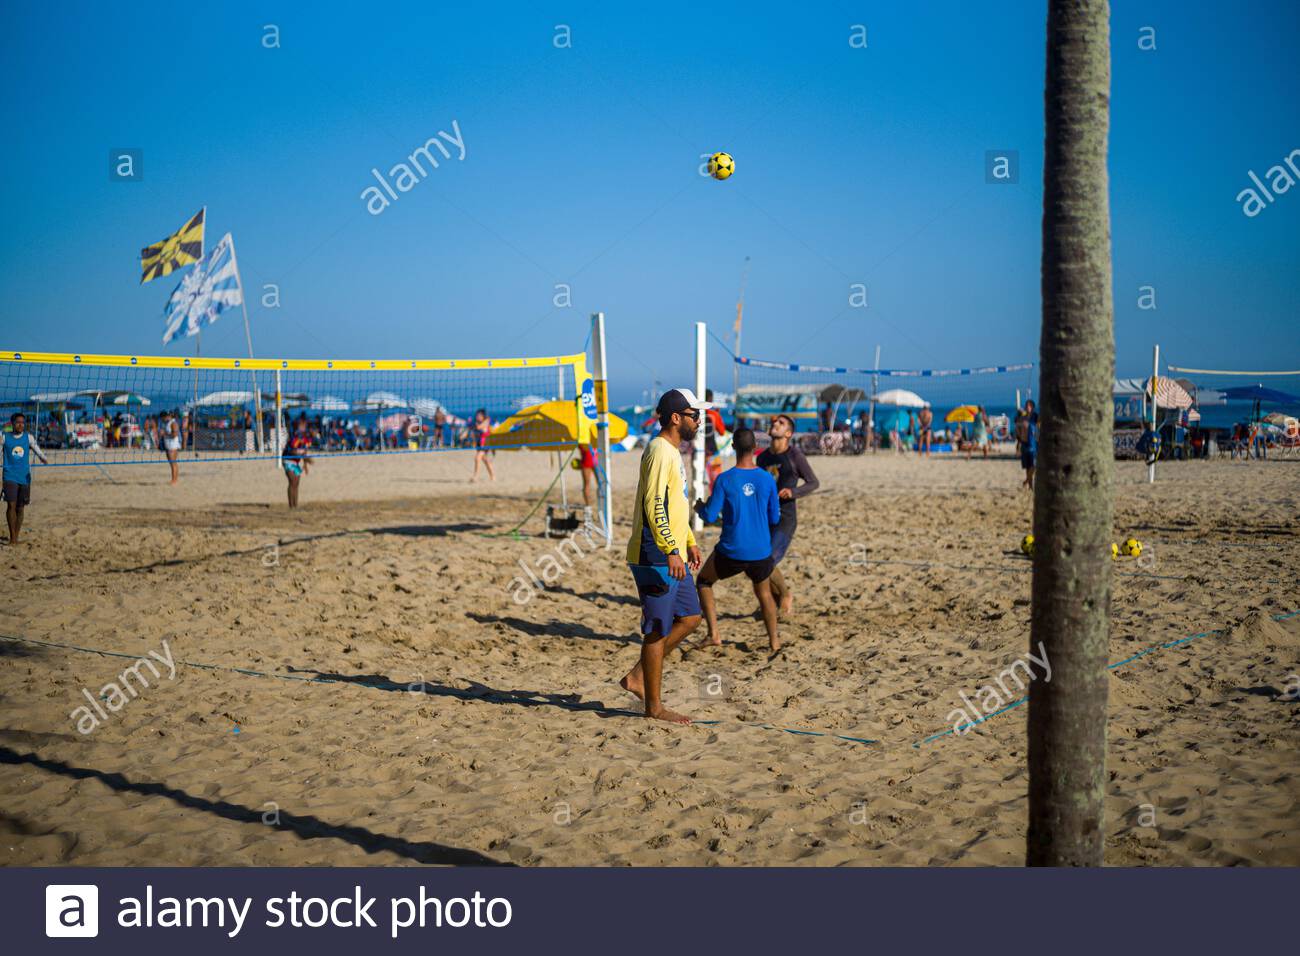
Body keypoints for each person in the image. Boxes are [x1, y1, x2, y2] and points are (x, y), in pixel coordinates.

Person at [618, 388, 708, 725]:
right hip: (653, 553)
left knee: (691, 617)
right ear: (676, 418)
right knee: (656, 631)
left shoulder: (671, 451)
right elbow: (654, 505)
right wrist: (672, 549)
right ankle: (653, 707)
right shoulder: (659, 450)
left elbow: (675, 507)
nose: (699, 420)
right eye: (694, 415)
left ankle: (638, 676)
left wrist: (688, 541)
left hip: (671, 549)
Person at [693, 428, 781, 652]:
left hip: (732, 550)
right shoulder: (767, 479)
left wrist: (700, 508)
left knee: (703, 581)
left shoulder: (725, 479)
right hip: (760, 550)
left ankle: (714, 634)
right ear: (755, 448)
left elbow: (710, 516)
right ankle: (774, 641)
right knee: (764, 593)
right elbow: (774, 517)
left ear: (732, 448)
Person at [756, 413, 819, 616]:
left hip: (785, 517)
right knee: (758, 562)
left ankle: (785, 595)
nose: (775, 423)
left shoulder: (795, 456)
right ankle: (772, 603)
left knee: (767, 560)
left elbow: (813, 482)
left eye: (781, 423)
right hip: (764, 517)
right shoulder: (762, 457)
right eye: (774, 421)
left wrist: (793, 492)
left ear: (789, 433)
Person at [4, 413, 50, 545]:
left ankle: (16, 537)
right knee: (11, 505)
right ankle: (12, 537)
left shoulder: (28, 437)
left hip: (24, 477)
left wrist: (43, 457)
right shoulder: (4, 437)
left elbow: (37, 449)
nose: (21, 425)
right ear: (12, 423)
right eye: (18, 422)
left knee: (20, 507)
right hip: (9, 475)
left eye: (23, 422)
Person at [282, 419, 313, 508]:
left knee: (296, 483)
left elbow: (304, 452)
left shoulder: (305, 439)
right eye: (302, 426)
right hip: (287, 460)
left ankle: (295, 506)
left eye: (304, 426)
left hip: (296, 462)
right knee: (292, 482)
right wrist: (306, 458)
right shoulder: (295, 438)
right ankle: (291, 506)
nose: (304, 427)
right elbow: (293, 452)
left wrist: (305, 465)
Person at [1016, 399, 1039, 489]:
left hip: (1033, 444)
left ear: (1032, 407)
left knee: (1034, 465)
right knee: (1027, 466)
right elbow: (1018, 430)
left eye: (1028, 405)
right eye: (1026, 405)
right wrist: (1018, 445)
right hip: (1024, 443)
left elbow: (1040, 426)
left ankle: (1026, 480)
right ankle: (1030, 485)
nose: (1026, 407)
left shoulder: (1035, 417)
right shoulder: (1022, 418)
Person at [471, 409, 495, 482]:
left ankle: (475, 477)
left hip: (486, 444)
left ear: (483, 416)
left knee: (477, 458)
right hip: (480, 444)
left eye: (479, 415)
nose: (477, 416)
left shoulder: (486, 421)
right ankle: (493, 476)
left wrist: (475, 425)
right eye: (477, 415)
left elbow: (479, 428)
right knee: (486, 461)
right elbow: (474, 434)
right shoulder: (478, 423)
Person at [161, 410, 182, 484]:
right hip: (169, 445)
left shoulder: (173, 423)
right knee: (172, 463)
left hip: (173, 446)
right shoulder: (168, 423)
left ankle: (174, 480)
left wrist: (164, 434)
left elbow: (175, 435)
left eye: (162, 418)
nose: (162, 420)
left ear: (166, 417)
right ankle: (174, 479)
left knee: (173, 463)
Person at [577, 442, 597, 507]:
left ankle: (588, 504)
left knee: (586, 484)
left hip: (586, 460)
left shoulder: (581, 437)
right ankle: (601, 501)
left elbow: (581, 450)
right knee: (601, 483)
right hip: (595, 460)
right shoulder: (595, 435)